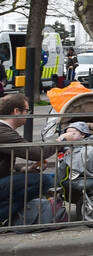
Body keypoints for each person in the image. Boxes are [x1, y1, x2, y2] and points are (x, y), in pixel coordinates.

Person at [0, 93, 59, 225]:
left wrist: (24, 168)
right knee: (44, 180)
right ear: (17, 111)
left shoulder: (4, 129)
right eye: (27, 110)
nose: (28, 114)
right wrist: (61, 141)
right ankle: (3, 215)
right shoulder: (3, 132)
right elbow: (36, 153)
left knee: (30, 180)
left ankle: (7, 215)